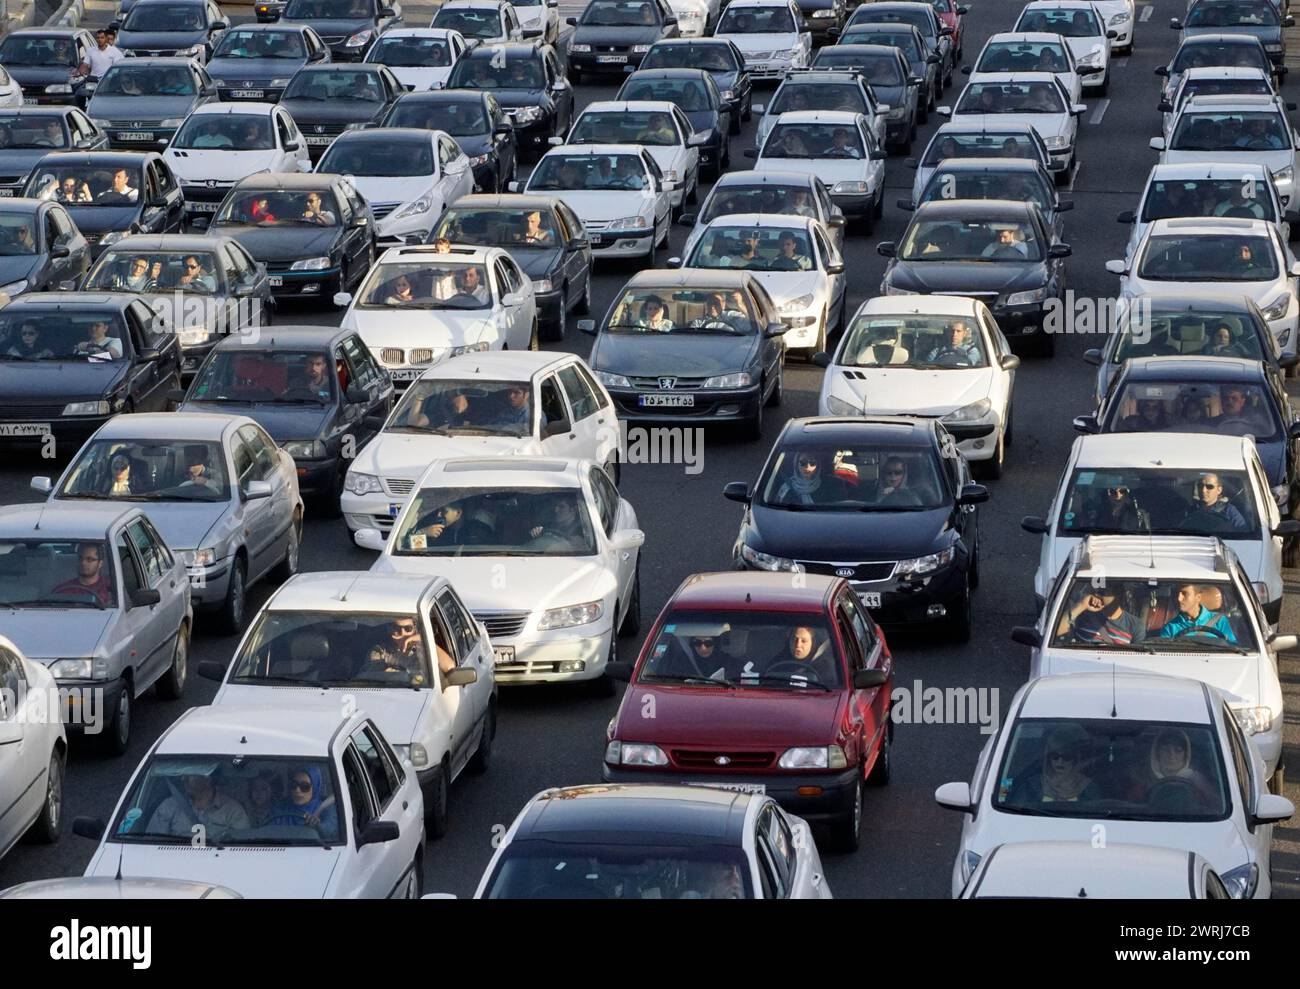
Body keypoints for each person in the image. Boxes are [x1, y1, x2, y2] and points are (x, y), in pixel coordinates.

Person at [144, 771, 250, 841]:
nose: (183, 779)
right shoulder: (169, 806)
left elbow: (243, 845)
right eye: (183, 774)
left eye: (190, 774)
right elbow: (151, 841)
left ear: (208, 779)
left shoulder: (233, 810)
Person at [1011, 727, 1100, 804]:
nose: (1060, 761)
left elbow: (1096, 812)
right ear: (1048, 759)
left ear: (1076, 759)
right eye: (1055, 756)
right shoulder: (1032, 785)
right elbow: (1016, 808)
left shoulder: (1088, 788)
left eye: (1066, 756)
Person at [1054, 586, 1144, 645]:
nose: (1096, 595)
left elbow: (1136, 658)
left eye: (1103, 592)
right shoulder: (1084, 614)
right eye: (1095, 591)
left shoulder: (1135, 625)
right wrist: (1081, 605)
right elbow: (1054, 633)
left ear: (1118, 595)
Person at [263, 766, 338, 836]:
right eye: (294, 785)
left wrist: (318, 826)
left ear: (315, 788)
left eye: (304, 786)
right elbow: (267, 832)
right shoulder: (279, 808)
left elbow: (330, 829)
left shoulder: (326, 808)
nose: (297, 790)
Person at [364, 616, 439, 681]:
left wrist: (424, 641)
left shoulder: (424, 649)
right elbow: (373, 675)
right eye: (397, 628)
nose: (402, 633)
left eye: (408, 628)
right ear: (390, 630)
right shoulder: (380, 650)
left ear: (415, 630)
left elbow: (449, 667)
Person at [1156, 583, 1237, 642]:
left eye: (1184, 594)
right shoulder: (1170, 628)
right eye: (1177, 594)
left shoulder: (1220, 621)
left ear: (1198, 597)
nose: (1179, 599)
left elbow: (1233, 649)